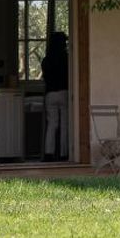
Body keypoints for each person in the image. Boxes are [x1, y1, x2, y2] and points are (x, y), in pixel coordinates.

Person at [41, 30, 71, 160]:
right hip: (64, 92)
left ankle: (49, 153)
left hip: (50, 93)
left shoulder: (46, 60)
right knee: (65, 124)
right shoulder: (67, 58)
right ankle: (64, 153)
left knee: (52, 124)